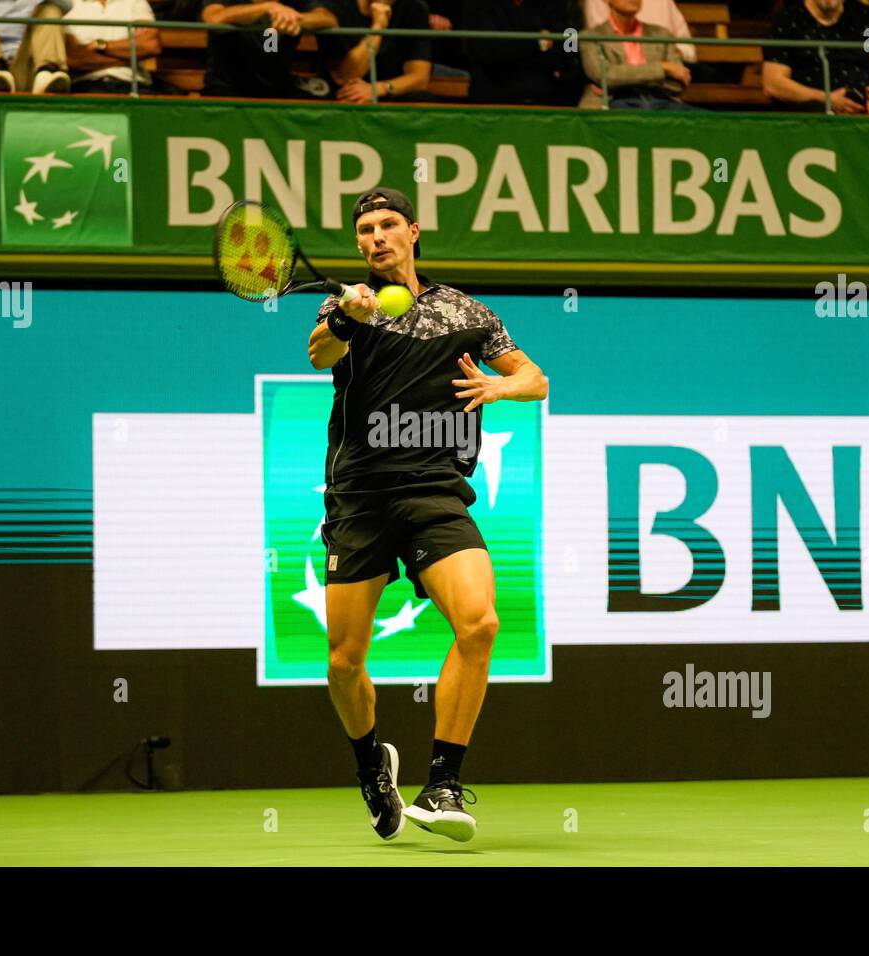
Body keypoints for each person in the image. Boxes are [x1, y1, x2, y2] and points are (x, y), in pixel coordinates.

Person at [307, 187, 548, 842]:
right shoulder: (346, 304)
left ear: (414, 232)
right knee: (342, 662)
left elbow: (535, 378)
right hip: (360, 496)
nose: (375, 237)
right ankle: (370, 764)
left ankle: (443, 784)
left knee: (481, 623)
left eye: (387, 225)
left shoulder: (465, 312)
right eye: (363, 230)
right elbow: (319, 353)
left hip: (435, 490)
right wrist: (347, 320)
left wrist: (499, 384)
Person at [763, 0, 869, 113]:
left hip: (865, 108)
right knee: (815, 112)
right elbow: (773, 83)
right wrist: (826, 99)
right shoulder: (787, 21)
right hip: (811, 110)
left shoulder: (866, 20)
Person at [201, 1, 335, 98]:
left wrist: (292, 18)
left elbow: (328, 19)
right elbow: (214, 18)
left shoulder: (292, 5)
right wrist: (268, 8)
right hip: (226, 90)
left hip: (278, 90)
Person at [463, 0, 585, 106]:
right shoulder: (479, 4)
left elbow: (568, 53)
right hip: (491, 97)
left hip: (543, 96)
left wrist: (513, 51)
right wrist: (539, 43)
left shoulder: (561, 5)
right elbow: (488, 53)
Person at [578, 0, 695, 110]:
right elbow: (605, 76)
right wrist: (662, 68)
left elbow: (678, 83)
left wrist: (624, 78)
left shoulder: (661, 34)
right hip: (611, 104)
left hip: (659, 102)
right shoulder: (590, 37)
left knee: (705, 121)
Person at [318, 0, 434, 102]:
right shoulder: (339, 6)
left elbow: (420, 78)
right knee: (348, 96)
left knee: (422, 97)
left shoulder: (414, 7)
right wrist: (378, 26)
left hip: (390, 90)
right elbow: (345, 77)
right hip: (345, 90)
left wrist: (378, 88)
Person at [63, 0, 162, 94]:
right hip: (85, 86)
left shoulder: (135, 1)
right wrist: (132, 56)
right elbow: (73, 59)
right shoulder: (66, 3)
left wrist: (100, 45)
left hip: (135, 85)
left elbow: (151, 45)